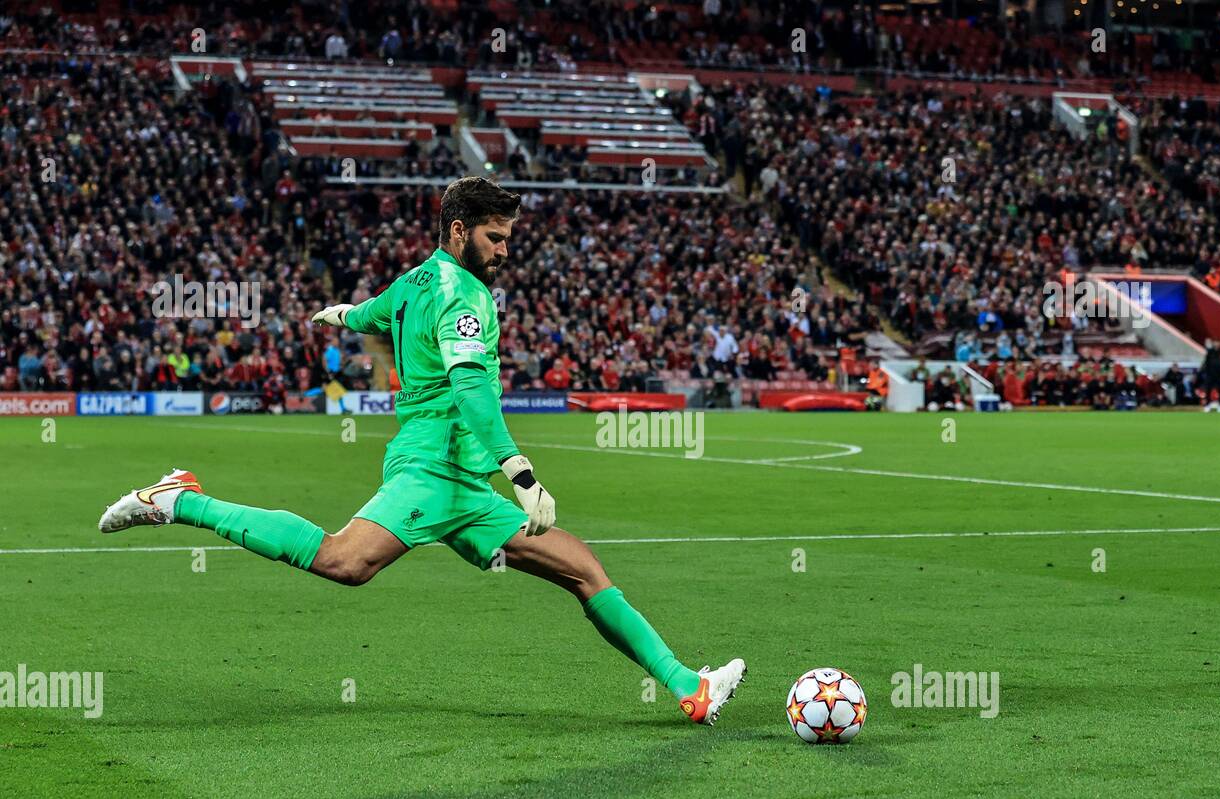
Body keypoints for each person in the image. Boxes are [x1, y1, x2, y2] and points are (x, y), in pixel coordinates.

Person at [98, 177, 745, 726]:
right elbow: (469, 387)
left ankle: (690, 687)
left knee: (583, 570)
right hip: (434, 469)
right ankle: (181, 499)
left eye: (509, 238)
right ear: (459, 231)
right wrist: (519, 471)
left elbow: (375, 311)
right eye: (495, 238)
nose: (504, 251)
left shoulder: (412, 282)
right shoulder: (467, 295)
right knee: (344, 561)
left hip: (459, 481)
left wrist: (343, 315)